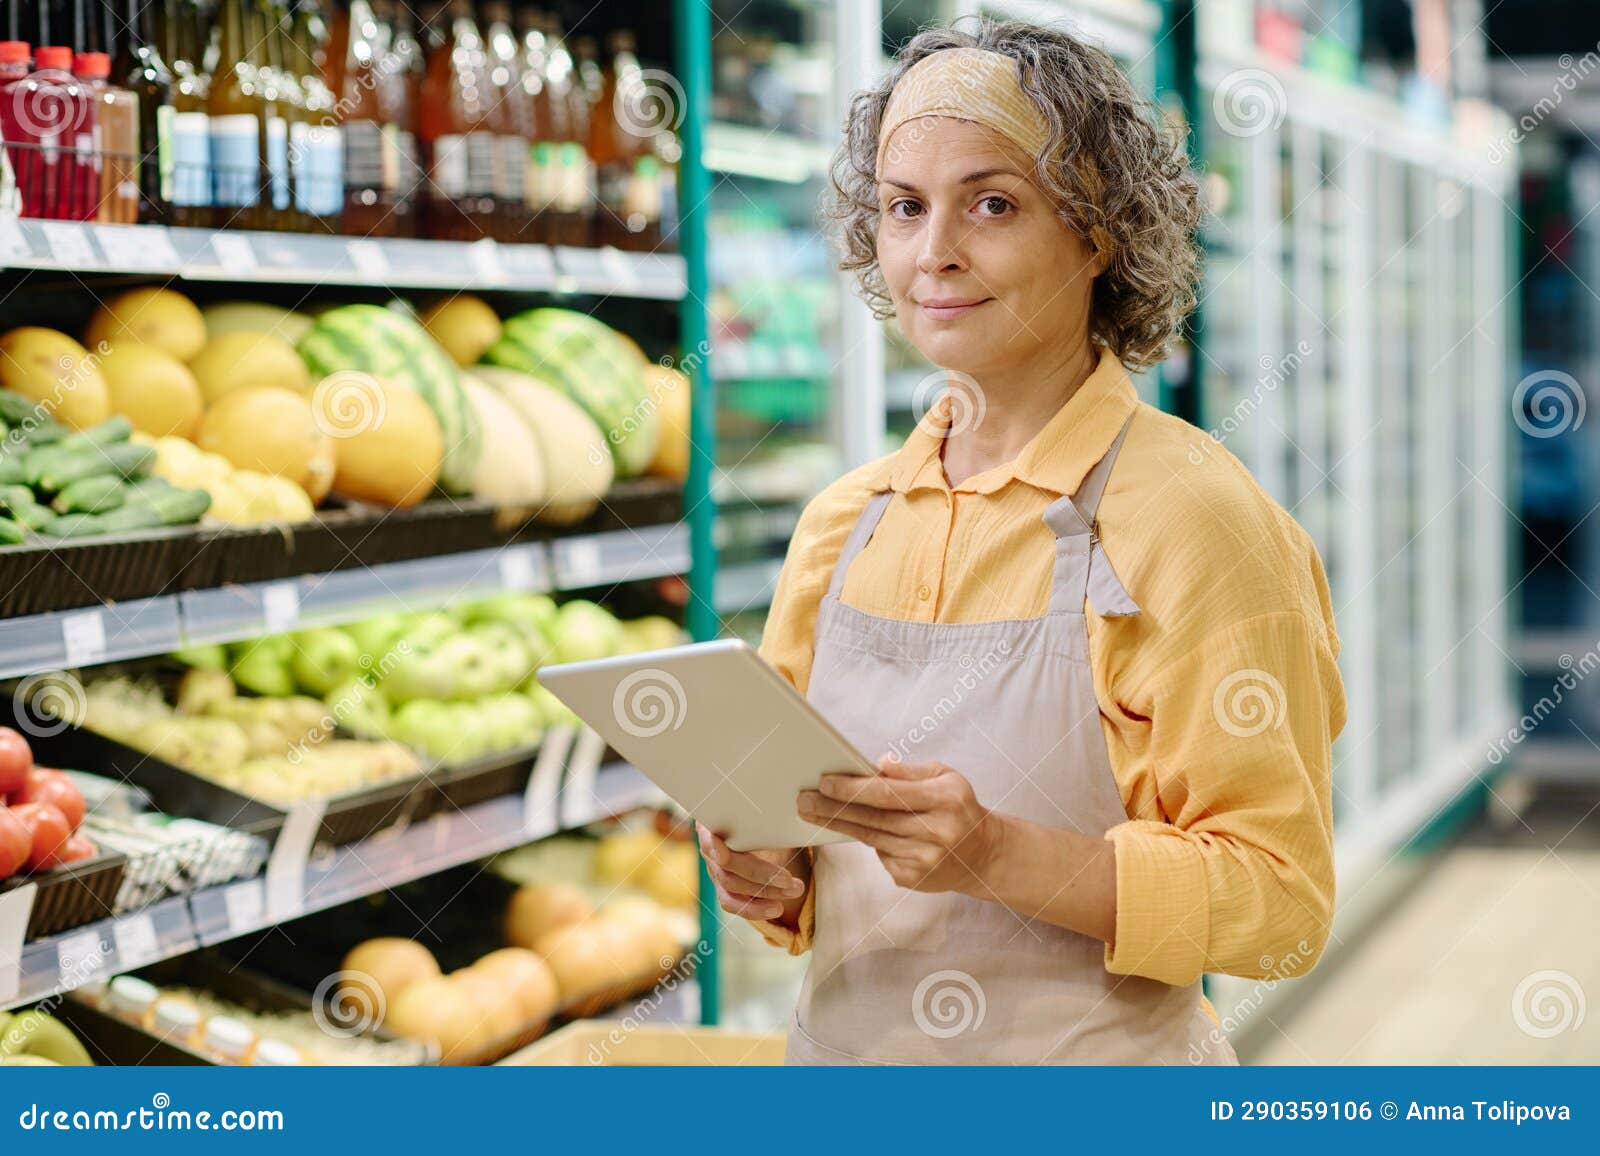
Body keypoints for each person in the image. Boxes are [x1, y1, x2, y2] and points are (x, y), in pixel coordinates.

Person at [696, 19, 1344, 1065]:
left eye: (991, 203)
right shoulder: (844, 524)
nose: (934, 252)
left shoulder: (1196, 520)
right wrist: (771, 873)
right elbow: (805, 853)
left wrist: (997, 854)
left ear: (1098, 233)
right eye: (904, 207)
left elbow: (1281, 906)